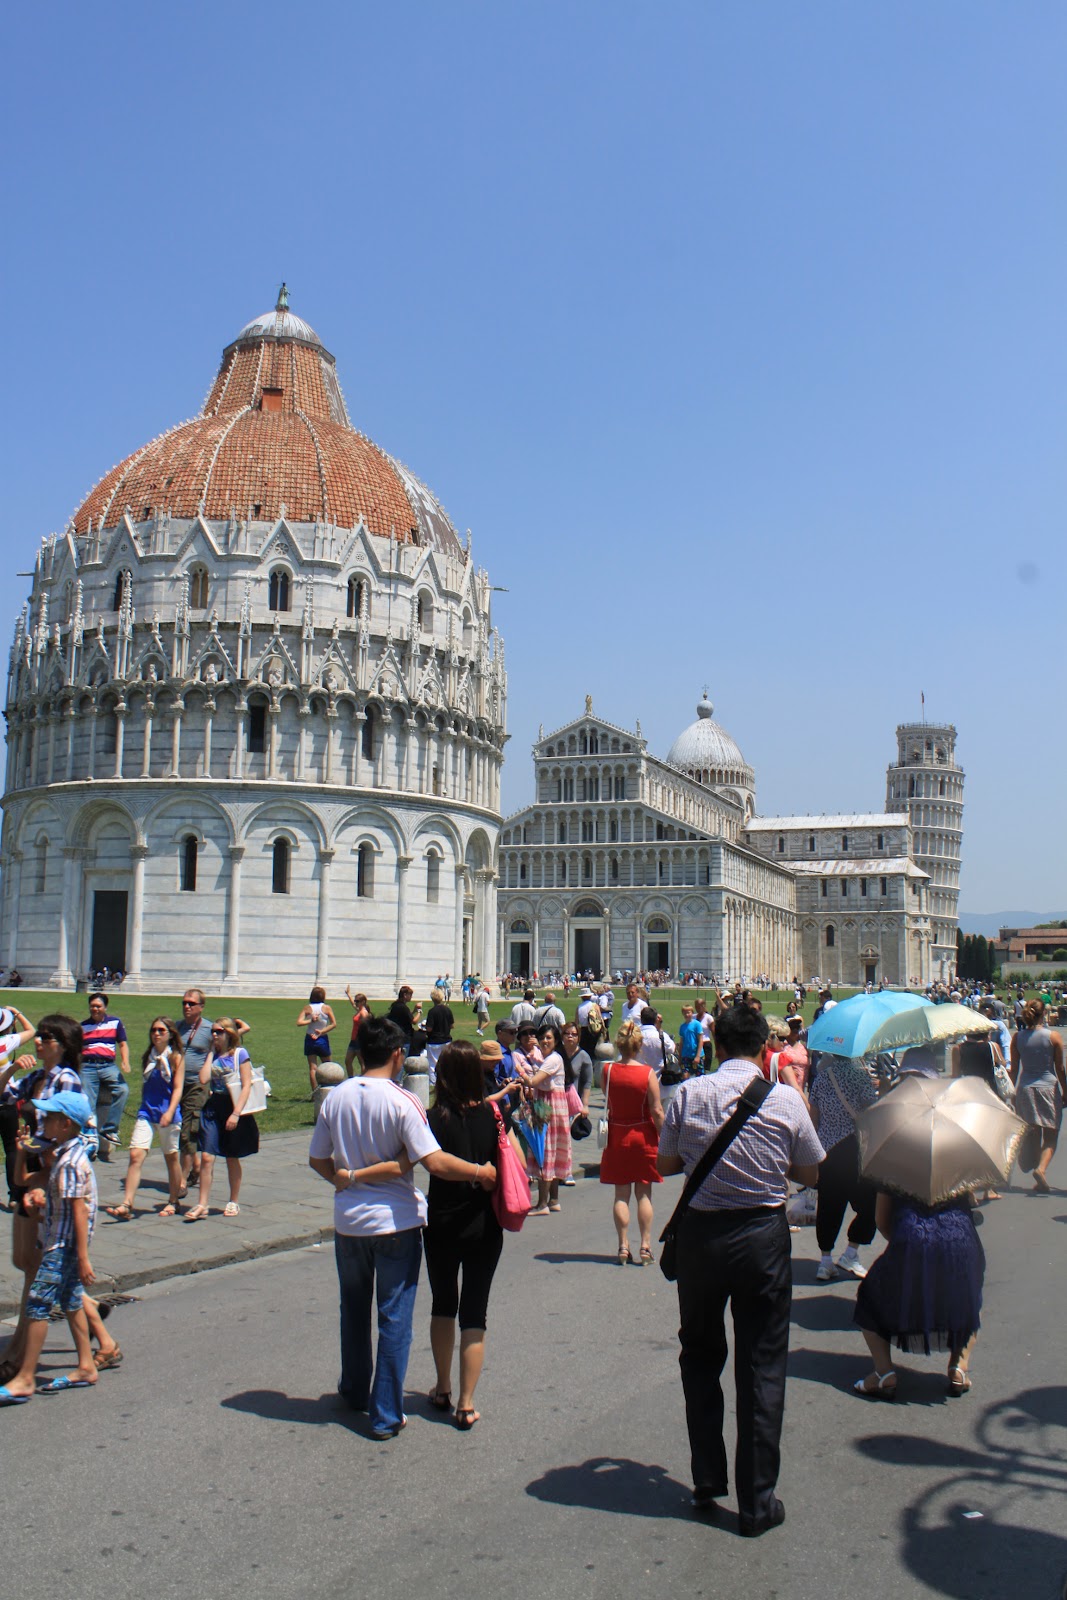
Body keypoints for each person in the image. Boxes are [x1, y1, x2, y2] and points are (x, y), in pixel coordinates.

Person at [656, 1005, 824, 1536]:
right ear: (761, 1050)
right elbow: (811, 1170)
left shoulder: (689, 1094)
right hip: (762, 1239)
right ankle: (756, 1503)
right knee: (762, 1364)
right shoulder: (785, 1099)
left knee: (700, 1356)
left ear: (718, 1047)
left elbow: (665, 1165)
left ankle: (707, 1477)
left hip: (703, 1238)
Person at [307, 1017, 495, 1440]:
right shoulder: (402, 1101)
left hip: (349, 1223)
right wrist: (481, 1172)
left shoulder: (335, 1097)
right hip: (395, 1222)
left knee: (353, 1312)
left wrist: (345, 1178)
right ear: (397, 1055)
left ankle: (355, 1391)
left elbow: (319, 1160)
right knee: (394, 1316)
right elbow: (433, 1161)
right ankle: (386, 1413)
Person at [423, 1041, 506, 1427]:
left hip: (440, 1220)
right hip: (483, 1223)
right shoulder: (494, 1113)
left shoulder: (431, 1118)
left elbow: (427, 1163)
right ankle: (467, 1402)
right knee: (475, 1311)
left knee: (443, 1303)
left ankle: (442, 1387)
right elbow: (518, 1162)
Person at [0, 1014, 86, 1382]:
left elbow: (80, 1131)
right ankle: (102, 1337)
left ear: (63, 1044)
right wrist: (8, 1070)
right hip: (27, 1168)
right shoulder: (35, 1077)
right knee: (25, 1260)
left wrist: (49, 1174)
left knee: (37, 1268)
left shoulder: (67, 1079)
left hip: (47, 1177)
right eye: (40, 1035)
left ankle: (18, 1355)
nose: (38, 1041)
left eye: (47, 1037)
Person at [0, 1091, 99, 1403]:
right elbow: (27, 1179)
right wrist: (19, 1152)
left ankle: (26, 1378)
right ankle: (86, 1366)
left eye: (51, 1118)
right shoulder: (63, 1154)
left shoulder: (70, 1162)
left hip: (63, 1243)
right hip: (62, 1240)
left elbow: (80, 1211)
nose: (45, 1123)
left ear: (66, 1124)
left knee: (38, 1303)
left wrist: (82, 1257)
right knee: (70, 1301)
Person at [853, 1188, 985, 1398]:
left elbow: (881, 1220)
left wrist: (904, 1246)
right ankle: (959, 1366)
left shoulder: (892, 1164)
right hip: (959, 1238)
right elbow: (971, 1202)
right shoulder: (958, 1162)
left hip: (913, 1234)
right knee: (968, 1297)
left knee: (871, 1295)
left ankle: (883, 1373)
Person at [807, 1053, 878, 1282]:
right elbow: (871, 1112)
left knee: (829, 1206)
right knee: (870, 1205)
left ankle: (825, 1260)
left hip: (827, 1149)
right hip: (855, 1147)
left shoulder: (821, 1078)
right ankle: (851, 1251)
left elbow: (814, 1115)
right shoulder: (860, 1074)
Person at [106, 1018, 186, 1219]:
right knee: (135, 1155)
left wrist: (170, 1111)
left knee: (171, 1157)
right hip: (147, 1111)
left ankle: (174, 1200)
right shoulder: (148, 1057)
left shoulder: (176, 1058)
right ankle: (127, 1203)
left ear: (170, 1034)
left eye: (161, 1030)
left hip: (168, 1113)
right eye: (153, 1030)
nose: (156, 1034)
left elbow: (178, 1088)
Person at [600, 1020, 664, 1264]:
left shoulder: (607, 1071)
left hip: (617, 1133)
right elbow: (656, 1110)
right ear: (638, 1046)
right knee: (644, 1194)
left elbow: (609, 1099)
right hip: (643, 1134)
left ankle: (622, 1245)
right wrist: (666, 1137)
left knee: (621, 1194)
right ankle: (645, 1245)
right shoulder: (647, 1073)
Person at [185, 1018, 259, 1220]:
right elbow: (203, 1079)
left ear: (228, 1033)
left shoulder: (240, 1054)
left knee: (231, 1156)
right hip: (214, 1107)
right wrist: (210, 1052)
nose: (215, 1035)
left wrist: (236, 1114)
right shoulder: (214, 1055)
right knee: (207, 1156)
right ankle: (202, 1203)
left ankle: (233, 1200)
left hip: (232, 1106)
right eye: (213, 1032)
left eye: (219, 1031)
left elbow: (246, 1085)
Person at [1010, 998, 1066, 1194]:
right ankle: (1040, 1169)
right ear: (1044, 1014)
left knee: (1033, 1131)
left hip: (1026, 1088)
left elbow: (1014, 1069)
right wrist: (1065, 1090)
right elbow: (1059, 1068)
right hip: (1048, 1088)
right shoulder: (1054, 1037)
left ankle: (1031, 1162)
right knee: (1051, 1134)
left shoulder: (1017, 1038)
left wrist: (1010, 1092)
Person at [522, 1023, 572, 1214]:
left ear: (556, 1041)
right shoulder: (550, 1058)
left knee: (544, 1150)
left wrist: (520, 1071)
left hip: (548, 1107)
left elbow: (534, 1081)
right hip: (552, 1106)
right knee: (552, 1151)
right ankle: (554, 1200)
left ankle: (542, 1203)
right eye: (542, 1038)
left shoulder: (553, 1059)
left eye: (548, 1038)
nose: (544, 1041)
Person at [80, 992, 130, 1162]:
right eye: (92, 1006)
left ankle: (110, 1129)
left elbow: (122, 1043)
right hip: (87, 1066)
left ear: (105, 1007)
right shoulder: (83, 1027)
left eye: (98, 1006)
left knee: (123, 1090)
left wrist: (125, 1062)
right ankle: (91, 1141)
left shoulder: (115, 1022)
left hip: (108, 1066)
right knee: (88, 1103)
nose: (95, 1009)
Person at [0, 1006, 38, 1209]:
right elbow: (32, 1031)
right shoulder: (5, 1043)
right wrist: (18, 1013)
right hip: (6, 1103)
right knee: (11, 1148)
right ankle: (14, 1195)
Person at [177, 990, 213, 1192]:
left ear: (201, 1006)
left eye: (191, 1003)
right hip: (176, 1085)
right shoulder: (176, 1027)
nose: (187, 1006)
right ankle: (196, 1166)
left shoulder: (209, 1029)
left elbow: (235, 1034)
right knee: (177, 1129)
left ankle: (182, 1180)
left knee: (188, 1131)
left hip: (197, 1085)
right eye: (184, 1003)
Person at [297, 987, 337, 1096]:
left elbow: (299, 1022)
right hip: (322, 1038)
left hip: (310, 1038)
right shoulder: (326, 1008)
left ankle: (315, 1094)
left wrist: (310, 1020)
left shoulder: (307, 1008)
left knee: (313, 1067)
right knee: (328, 1065)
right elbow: (333, 1024)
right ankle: (330, 1092)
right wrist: (322, 1031)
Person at [424, 987, 455, 1085]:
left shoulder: (432, 1011)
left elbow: (429, 1028)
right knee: (446, 1062)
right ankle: (447, 1080)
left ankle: (433, 1082)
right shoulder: (447, 1010)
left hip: (434, 1040)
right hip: (446, 1039)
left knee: (433, 1063)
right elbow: (452, 1025)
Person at [387, 986, 422, 1055]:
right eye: (410, 995)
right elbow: (414, 1021)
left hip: (396, 1035)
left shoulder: (396, 1005)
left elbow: (406, 1017)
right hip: (404, 1036)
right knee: (403, 1059)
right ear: (405, 995)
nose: (411, 997)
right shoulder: (403, 1007)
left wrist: (414, 1011)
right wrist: (419, 1012)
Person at [344, 993, 373, 1075]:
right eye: (355, 1001)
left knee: (362, 1063)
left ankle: (363, 1080)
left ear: (363, 1002)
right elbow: (353, 1005)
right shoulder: (359, 1011)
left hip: (359, 1040)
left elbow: (367, 1026)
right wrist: (348, 994)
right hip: (353, 1040)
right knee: (347, 1061)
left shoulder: (363, 1013)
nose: (356, 1003)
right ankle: (351, 1079)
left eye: (357, 1001)